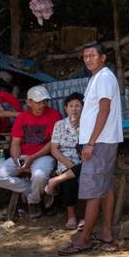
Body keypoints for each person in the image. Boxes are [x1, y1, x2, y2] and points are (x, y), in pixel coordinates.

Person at [60, 42, 124, 254]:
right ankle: (106, 232)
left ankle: (84, 239)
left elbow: (104, 111)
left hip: (99, 143)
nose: (88, 59)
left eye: (92, 55)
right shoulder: (97, 78)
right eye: (85, 56)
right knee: (104, 188)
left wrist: (90, 142)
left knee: (94, 191)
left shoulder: (104, 77)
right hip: (102, 141)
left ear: (103, 57)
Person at [0, 85, 62, 219]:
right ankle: (39, 191)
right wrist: (18, 161)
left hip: (44, 156)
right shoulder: (22, 117)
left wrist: (32, 158)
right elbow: (15, 143)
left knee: (39, 176)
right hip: (23, 155)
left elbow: (52, 143)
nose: (42, 105)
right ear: (29, 102)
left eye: (45, 101)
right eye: (38, 101)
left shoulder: (54, 115)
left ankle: (33, 202)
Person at [44, 94, 84, 229]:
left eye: (78, 106)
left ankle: (84, 216)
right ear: (66, 108)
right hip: (64, 159)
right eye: (71, 106)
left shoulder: (88, 124)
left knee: (87, 173)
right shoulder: (60, 125)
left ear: (83, 108)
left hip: (82, 160)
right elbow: (54, 149)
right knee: (70, 179)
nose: (74, 109)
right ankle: (71, 216)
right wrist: (69, 165)